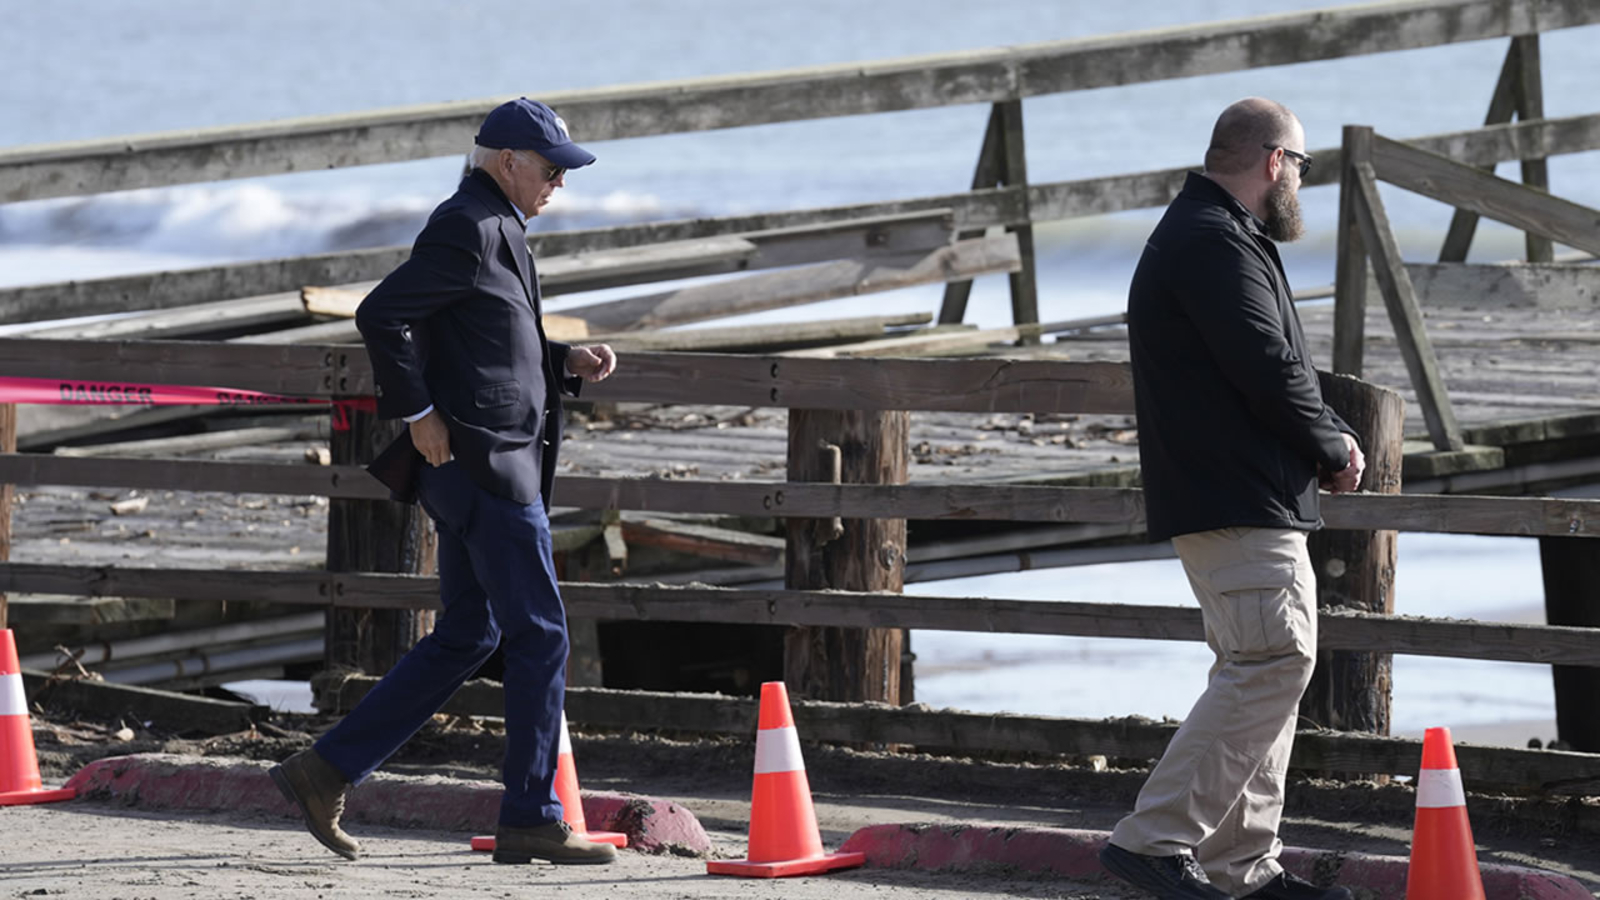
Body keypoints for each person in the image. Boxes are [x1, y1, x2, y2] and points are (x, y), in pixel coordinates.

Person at [270, 97, 620, 866]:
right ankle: (530, 813)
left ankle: (324, 770)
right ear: (508, 163)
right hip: (487, 468)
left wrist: (568, 362)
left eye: (564, 170)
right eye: (552, 168)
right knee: (542, 635)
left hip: (482, 466)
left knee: (472, 632)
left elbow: (491, 340)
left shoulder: (501, 227)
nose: (560, 182)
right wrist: (419, 411)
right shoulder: (469, 224)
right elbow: (381, 315)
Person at [1098, 98, 1364, 900]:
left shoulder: (1212, 232)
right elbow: (1267, 364)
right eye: (1303, 169)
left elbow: (1260, 362)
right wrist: (1331, 441)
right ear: (1274, 162)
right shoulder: (1213, 240)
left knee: (1262, 667)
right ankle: (1154, 839)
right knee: (1272, 660)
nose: (1300, 185)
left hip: (1238, 493)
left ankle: (1243, 866)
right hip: (1237, 497)